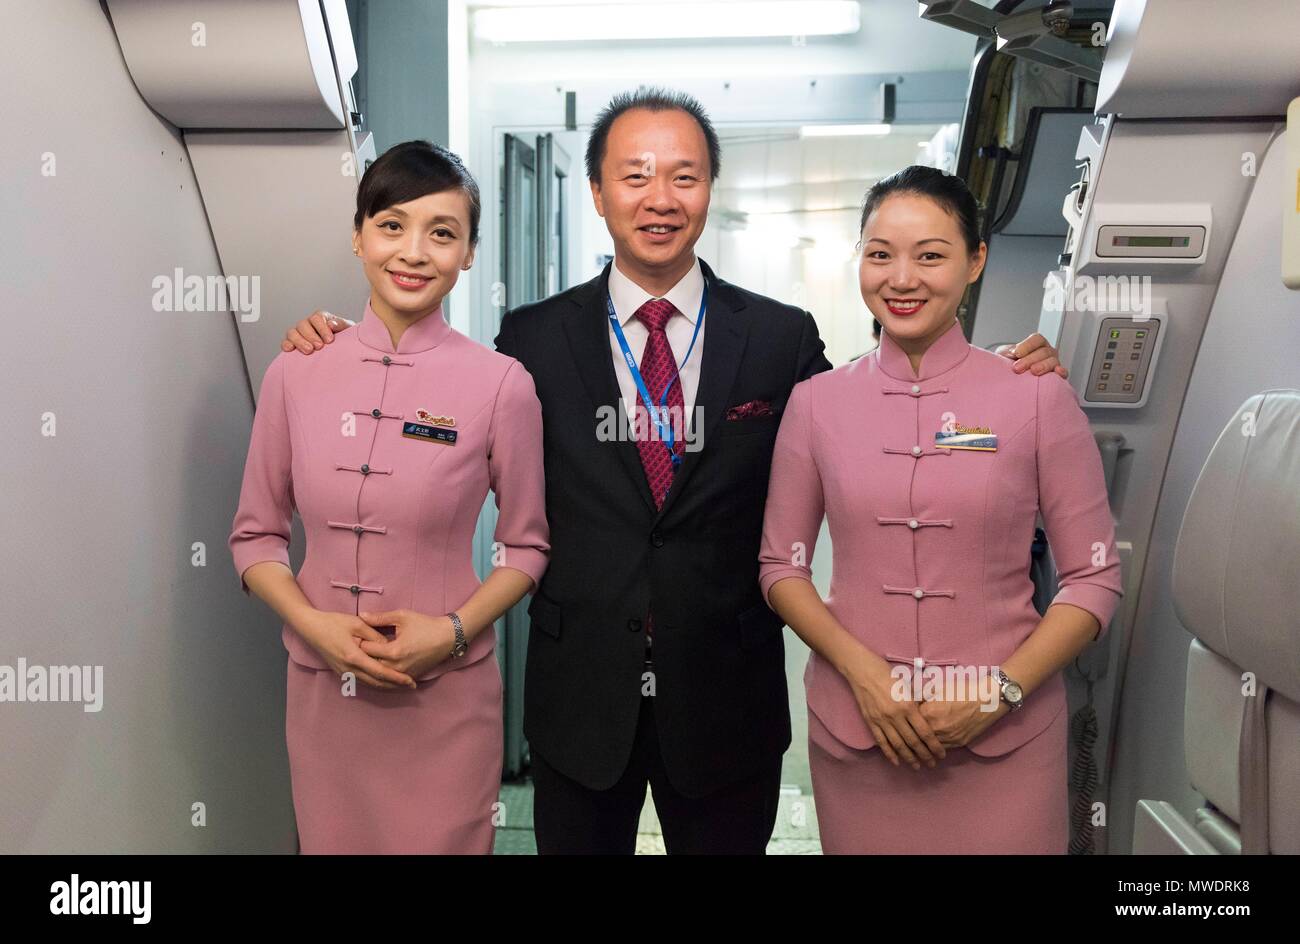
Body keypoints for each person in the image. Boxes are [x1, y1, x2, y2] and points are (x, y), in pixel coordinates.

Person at [278, 89, 1066, 854]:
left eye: (683, 176)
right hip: (580, 697)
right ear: (596, 191)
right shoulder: (531, 338)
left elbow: (872, 406)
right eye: (635, 175)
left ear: (709, 190)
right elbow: (445, 408)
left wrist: (984, 373)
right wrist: (345, 352)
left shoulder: (779, 338)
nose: (660, 197)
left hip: (726, 698)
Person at [758, 164, 1122, 854]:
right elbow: (781, 566)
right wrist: (866, 678)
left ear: (975, 261)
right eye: (880, 254)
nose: (902, 278)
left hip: (1008, 740)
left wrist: (998, 692)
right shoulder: (817, 404)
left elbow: (1094, 581)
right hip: (861, 734)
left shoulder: (1035, 397)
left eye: (930, 255)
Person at [228, 140, 549, 854]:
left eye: (442, 233)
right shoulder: (297, 372)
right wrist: (317, 627)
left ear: (468, 254)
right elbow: (255, 537)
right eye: (392, 225)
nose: (413, 252)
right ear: (358, 236)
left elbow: (526, 547)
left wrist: (453, 631)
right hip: (321, 695)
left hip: (445, 696)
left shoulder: (501, 384)